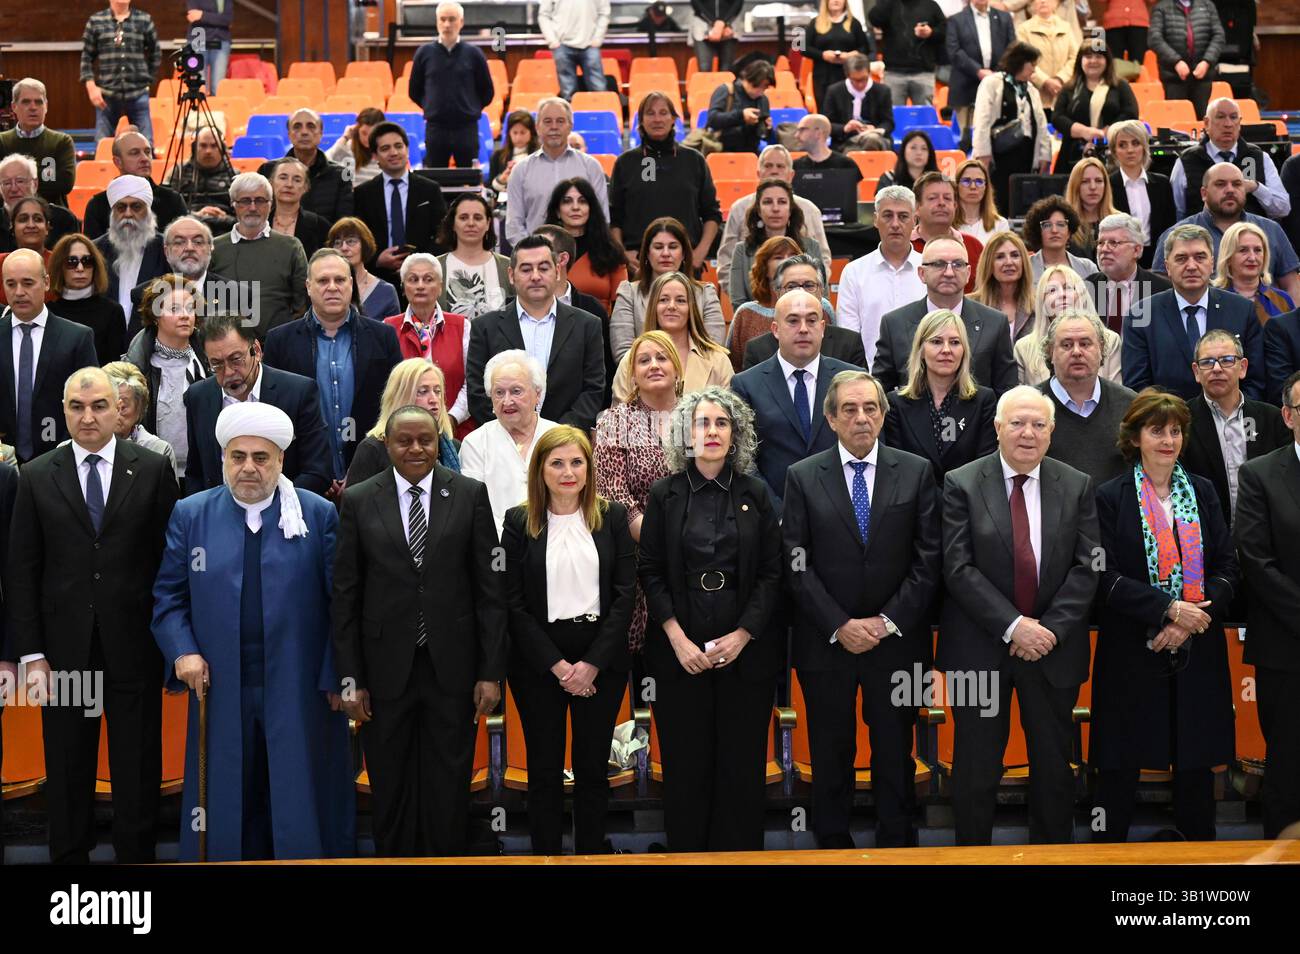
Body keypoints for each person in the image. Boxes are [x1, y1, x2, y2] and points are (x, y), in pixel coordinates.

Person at [153, 401, 353, 860]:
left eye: (261, 458)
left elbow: (342, 604)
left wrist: (334, 676)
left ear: (281, 460)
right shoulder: (191, 514)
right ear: (222, 458)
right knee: (225, 801)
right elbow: (169, 598)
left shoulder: (317, 514)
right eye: (237, 456)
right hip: (220, 685)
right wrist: (182, 651)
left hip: (300, 688)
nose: (248, 467)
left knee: (296, 799)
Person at [7, 365, 178, 863]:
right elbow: (21, 570)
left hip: (134, 647)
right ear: (63, 411)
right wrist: (32, 654)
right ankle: (69, 871)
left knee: (137, 766)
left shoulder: (150, 469)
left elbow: (169, 565)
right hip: (63, 655)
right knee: (66, 769)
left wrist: (170, 643)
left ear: (119, 409)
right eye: (77, 407)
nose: (88, 416)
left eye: (99, 405)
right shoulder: (37, 475)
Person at [334, 403, 505, 858]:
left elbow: (490, 592)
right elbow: (345, 598)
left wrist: (490, 672)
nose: (415, 448)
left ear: (438, 442)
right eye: (404, 440)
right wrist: (351, 679)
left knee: (449, 783)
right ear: (386, 445)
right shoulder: (358, 499)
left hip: (454, 669)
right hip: (384, 670)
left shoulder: (470, 494)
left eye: (425, 440)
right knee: (389, 783)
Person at [784, 369, 941, 847]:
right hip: (826, 643)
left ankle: (896, 845)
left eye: (870, 408)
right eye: (849, 410)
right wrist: (839, 624)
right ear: (830, 418)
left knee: (894, 751)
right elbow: (795, 561)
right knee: (832, 751)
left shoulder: (914, 471)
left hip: (897, 642)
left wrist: (886, 621)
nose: (861, 418)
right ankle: (831, 846)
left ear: (883, 414)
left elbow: (929, 558)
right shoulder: (803, 476)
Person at [939, 385, 1100, 845]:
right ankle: (971, 857)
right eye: (1017, 423)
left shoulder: (1076, 483)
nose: (1027, 433)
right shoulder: (961, 482)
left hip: (1053, 649)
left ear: (1052, 432)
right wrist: (1015, 626)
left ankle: (1053, 855)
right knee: (976, 768)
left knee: (1053, 768)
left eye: (1038, 424)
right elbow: (957, 567)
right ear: (997, 428)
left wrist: (1047, 630)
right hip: (980, 650)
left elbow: (1089, 565)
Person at [638, 385, 782, 850]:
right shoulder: (665, 494)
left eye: (722, 423)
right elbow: (650, 571)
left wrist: (743, 635)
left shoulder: (756, 493)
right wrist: (677, 639)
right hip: (680, 655)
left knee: (741, 768)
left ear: (735, 434)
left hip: (745, 653)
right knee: (686, 766)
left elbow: (770, 574)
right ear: (686, 433)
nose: (712, 431)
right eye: (703, 422)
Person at [1092, 388, 1237, 842]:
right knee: (1119, 764)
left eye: (1175, 431)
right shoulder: (1110, 496)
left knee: (1195, 761)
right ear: (1134, 437)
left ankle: (1199, 852)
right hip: (1132, 647)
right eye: (1157, 431)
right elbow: (1104, 576)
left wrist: (1188, 618)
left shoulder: (1205, 492)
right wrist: (1167, 611)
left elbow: (1229, 566)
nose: (1168, 440)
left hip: (1198, 644)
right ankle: (1107, 849)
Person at [501, 424, 633, 854]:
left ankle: (592, 854)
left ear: (589, 467)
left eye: (577, 462)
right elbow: (513, 602)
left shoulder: (611, 517)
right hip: (540, 662)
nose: (568, 471)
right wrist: (557, 667)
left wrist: (592, 664)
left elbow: (625, 594)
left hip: (601, 657)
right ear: (540, 469)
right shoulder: (518, 521)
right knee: (543, 769)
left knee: (593, 769)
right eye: (556, 463)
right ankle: (546, 856)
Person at [264, 248, 403, 493]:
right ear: (308, 286)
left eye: (339, 280)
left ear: (351, 284)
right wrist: (318, 473)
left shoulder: (384, 336)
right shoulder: (279, 341)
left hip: (374, 478)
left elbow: (396, 407)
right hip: (303, 481)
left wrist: (361, 470)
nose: (332, 287)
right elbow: (274, 415)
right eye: (322, 281)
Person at [1234, 371, 1300, 838]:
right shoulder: (1258, 473)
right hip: (1286, 648)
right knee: (1289, 766)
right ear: (1288, 415)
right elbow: (1256, 560)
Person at [731, 290, 861, 510]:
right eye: (792, 320)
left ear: (822, 328)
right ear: (775, 329)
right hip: (773, 515)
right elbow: (743, 459)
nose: (803, 328)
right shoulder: (746, 385)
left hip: (844, 512)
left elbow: (869, 446)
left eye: (811, 320)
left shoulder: (852, 379)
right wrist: (777, 513)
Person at [465, 235, 605, 432]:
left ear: (557, 271)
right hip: (506, 442)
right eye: (526, 269)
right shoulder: (484, 328)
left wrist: (558, 432)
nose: (536, 276)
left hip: (565, 440)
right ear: (511, 275)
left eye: (544, 268)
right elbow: (478, 393)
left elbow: (593, 389)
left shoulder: (588, 325)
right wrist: (516, 430)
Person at [595, 329, 678, 651]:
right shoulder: (614, 422)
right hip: (637, 552)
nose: (654, 365)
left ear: (677, 367)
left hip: (699, 550)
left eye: (662, 357)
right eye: (644, 360)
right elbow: (614, 493)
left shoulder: (699, 416)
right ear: (632, 374)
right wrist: (664, 541)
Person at [184, 314, 332, 495]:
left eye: (236, 359)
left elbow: (317, 472)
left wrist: (274, 506)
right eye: (217, 365)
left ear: (257, 350)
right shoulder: (198, 396)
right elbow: (195, 473)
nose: (229, 372)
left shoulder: (299, 392)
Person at [1123, 224, 1264, 401]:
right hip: (1169, 422)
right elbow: (1137, 387)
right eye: (1181, 258)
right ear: (1167, 266)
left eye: (1200, 257)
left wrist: (1232, 417)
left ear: (1212, 263)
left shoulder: (1242, 310)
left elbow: (1256, 380)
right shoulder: (1141, 315)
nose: (1191, 266)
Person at [872, 236, 1016, 395]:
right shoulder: (894, 324)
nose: (949, 272)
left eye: (958, 264)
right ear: (921, 273)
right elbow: (880, 392)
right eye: (938, 264)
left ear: (968, 273)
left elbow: (1007, 392)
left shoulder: (995, 323)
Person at [1180, 329, 1289, 526]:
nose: (1217, 369)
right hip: (1207, 537)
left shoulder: (1272, 418)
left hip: (1267, 535)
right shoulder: (1181, 421)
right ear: (1196, 372)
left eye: (1227, 360)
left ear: (1243, 367)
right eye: (1207, 362)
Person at [1, 249, 99, 464]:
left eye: (27, 283)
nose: (19, 292)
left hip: (60, 462)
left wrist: (65, 455)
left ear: (46, 282)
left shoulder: (77, 338)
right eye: (11, 284)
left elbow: (89, 403)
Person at [1152, 163, 1300, 303]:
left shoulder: (1271, 230)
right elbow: (1157, 288)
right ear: (1204, 193)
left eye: (1237, 184)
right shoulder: (1174, 235)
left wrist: (1294, 325)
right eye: (1220, 184)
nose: (1230, 190)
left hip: (1267, 324)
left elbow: (1292, 284)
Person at [884, 308, 998, 486]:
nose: (946, 350)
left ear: (964, 350)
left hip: (966, 504)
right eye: (936, 342)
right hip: (915, 507)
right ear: (921, 350)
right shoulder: (896, 404)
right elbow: (898, 470)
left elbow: (984, 467)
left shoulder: (984, 401)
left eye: (954, 342)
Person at [609, 93, 721, 275]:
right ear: (641, 121)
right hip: (637, 265)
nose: (657, 119)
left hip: (686, 262)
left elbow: (712, 214)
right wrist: (624, 255)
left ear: (674, 119)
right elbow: (614, 218)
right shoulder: (625, 162)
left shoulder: (694, 160)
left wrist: (699, 254)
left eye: (663, 112)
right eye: (650, 113)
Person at [461, 350, 560, 534]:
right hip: (498, 546)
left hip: (555, 540)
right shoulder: (474, 443)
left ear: (537, 394)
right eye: (499, 392)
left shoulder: (558, 436)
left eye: (516, 391)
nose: (507, 401)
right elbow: (475, 510)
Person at [1036, 310, 1137, 485]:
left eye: (1085, 344)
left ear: (1102, 349)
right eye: (1066, 345)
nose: (1076, 352)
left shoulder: (1130, 404)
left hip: (1114, 510)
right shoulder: (1029, 405)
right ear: (1050, 352)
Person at [717, 146, 832, 297]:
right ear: (758, 173)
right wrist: (742, 296)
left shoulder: (810, 210)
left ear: (791, 175)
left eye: (780, 166)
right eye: (768, 166)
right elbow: (726, 260)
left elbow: (822, 261)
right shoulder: (739, 208)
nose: (774, 171)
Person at [125, 275, 208, 483]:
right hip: (150, 472)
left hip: (201, 473)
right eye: (174, 309)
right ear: (155, 316)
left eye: (190, 308)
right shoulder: (135, 368)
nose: (185, 316)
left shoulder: (210, 361)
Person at [208, 172, 310, 337]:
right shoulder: (214, 249)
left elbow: (302, 302)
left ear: (271, 204)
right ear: (233, 204)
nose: (253, 208)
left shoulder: (291, 247)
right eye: (245, 201)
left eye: (260, 200)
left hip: (278, 346)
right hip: (226, 346)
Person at [352, 122, 449, 291]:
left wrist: (418, 262)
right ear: (375, 156)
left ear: (407, 149)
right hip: (375, 276)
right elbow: (357, 237)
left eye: (398, 146)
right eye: (385, 148)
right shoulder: (363, 193)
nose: (394, 152)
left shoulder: (430, 189)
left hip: (423, 277)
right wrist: (376, 259)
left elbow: (443, 234)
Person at [610, 218, 725, 360]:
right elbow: (623, 354)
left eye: (673, 247)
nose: (665, 253)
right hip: (642, 378)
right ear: (646, 253)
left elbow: (713, 349)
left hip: (697, 379)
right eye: (658, 247)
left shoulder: (706, 293)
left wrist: (682, 375)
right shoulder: (629, 293)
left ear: (683, 254)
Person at [837, 186, 925, 367]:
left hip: (925, 378)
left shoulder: (929, 268)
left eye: (903, 216)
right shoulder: (854, 272)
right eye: (887, 215)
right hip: (870, 381)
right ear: (876, 220)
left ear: (914, 221)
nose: (895, 224)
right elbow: (848, 337)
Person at [612, 271, 731, 402]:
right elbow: (618, 415)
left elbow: (730, 416)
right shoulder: (631, 359)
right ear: (653, 307)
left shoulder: (718, 361)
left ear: (691, 308)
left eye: (680, 300)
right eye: (663, 300)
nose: (672, 306)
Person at [386, 254, 471, 436]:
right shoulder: (388, 327)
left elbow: (471, 382)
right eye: (413, 279)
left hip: (455, 430)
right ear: (403, 287)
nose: (420, 286)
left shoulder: (462, 326)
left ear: (440, 287)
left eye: (428, 279)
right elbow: (387, 386)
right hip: (403, 430)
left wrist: (451, 418)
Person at [345, 357, 462, 488]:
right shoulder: (373, 449)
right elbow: (355, 505)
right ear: (400, 397)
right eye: (423, 392)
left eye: (437, 391)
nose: (434, 399)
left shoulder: (455, 447)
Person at [505, 98, 608, 247]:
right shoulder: (520, 170)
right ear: (537, 126)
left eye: (560, 121)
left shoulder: (591, 167)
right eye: (547, 121)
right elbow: (514, 224)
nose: (554, 127)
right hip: (536, 259)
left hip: (586, 257)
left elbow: (602, 218)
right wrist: (533, 252)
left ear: (570, 126)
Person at [409, 2, 495, 168]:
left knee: (469, 179)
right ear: (437, 22)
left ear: (461, 22)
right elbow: (414, 90)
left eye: (452, 19)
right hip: (436, 128)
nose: (447, 24)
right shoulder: (424, 53)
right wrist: (432, 107)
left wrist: (470, 108)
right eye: (443, 19)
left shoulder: (474, 54)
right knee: (435, 180)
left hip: (466, 128)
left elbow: (487, 91)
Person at [972, 41, 1055, 212]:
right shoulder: (992, 83)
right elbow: (982, 121)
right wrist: (983, 155)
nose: (1034, 70)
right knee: (999, 202)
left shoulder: (1031, 89)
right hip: (999, 159)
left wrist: (1044, 156)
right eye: (1031, 64)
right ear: (1019, 62)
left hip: (1026, 157)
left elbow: (1041, 125)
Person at [741, 255, 863, 370]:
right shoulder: (757, 350)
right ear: (778, 293)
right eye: (791, 286)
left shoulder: (849, 344)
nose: (801, 292)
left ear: (821, 291)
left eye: (809, 285)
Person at [730, 242, 834, 370]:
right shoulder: (746, 318)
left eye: (812, 320)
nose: (800, 291)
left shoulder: (826, 311)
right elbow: (734, 367)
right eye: (791, 286)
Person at [128, 215, 233, 340]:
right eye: (179, 242)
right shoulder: (143, 294)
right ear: (166, 251)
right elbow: (136, 353)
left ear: (210, 248)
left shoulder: (233, 294)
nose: (189, 248)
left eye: (198, 242)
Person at [728, 179, 827, 307]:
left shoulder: (812, 246)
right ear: (758, 210)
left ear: (790, 209)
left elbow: (822, 298)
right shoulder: (742, 250)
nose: (775, 208)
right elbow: (738, 303)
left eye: (782, 202)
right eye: (768, 202)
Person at [1017, 264, 1121, 385]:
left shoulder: (1111, 340)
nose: (1062, 295)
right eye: (1052, 290)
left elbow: (1115, 392)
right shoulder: (1023, 348)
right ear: (1042, 301)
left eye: (1068, 288)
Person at [83, 129, 188, 240]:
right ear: (118, 162)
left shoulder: (172, 200)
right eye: (135, 153)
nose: (144, 158)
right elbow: (93, 252)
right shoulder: (98, 205)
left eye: (147, 152)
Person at [253, 110, 353, 225]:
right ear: (289, 135)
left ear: (320, 133)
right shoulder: (267, 170)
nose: (304, 132)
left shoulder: (341, 175)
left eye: (311, 126)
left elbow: (344, 223)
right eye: (297, 127)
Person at [80, 1, 160, 145]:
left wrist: (148, 80)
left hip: (138, 94)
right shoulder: (96, 21)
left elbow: (156, 53)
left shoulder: (144, 20)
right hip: (106, 96)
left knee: (146, 145)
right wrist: (91, 87)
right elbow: (86, 58)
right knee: (102, 146)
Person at [1053, 42, 1139, 177]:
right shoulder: (1069, 88)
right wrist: (1084, 132)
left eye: (1098, 56)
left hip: (1112, 153)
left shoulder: (1120, 85)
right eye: (1088, 56)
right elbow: (1057, 117)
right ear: (1080, 60)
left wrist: (1105, 132)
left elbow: (1130, 113)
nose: (1093, 61)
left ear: (1107, 60)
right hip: (1072, 155)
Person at [94, 176, 170, 325]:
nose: (128, 214)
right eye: (121, 207)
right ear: (112, 212)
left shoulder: (166, 249)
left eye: (136, 207)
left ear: (148, 211)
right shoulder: (96, 250)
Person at [545, 177, 627, 313]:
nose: (575, 207)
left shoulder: (611, 252)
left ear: (591, 209)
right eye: (567, 201)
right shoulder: (542, 251)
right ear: (558, 211)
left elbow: (622, 308)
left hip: (601, 329)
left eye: (582, 201)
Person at [1083, 212, 1173, 336]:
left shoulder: (1161, 290)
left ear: (1136, 250)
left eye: (1113, 242)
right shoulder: (1087, 287)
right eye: (1101, 243)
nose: (1104, 249)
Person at [1108, 119, 1178, 270]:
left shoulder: (1162, 184)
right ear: (1114, 151)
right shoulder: (1107, 185)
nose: (1130, 150)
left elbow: (1170, 227)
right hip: (1119, 261)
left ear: (1144, 147)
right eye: (1122, 145)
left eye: (1135, 143)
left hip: (1156, 260)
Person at [49, 233, 126, 365]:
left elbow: (117, 368)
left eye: (87, 261)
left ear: (95, 265)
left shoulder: (112, 312)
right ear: (59, 267)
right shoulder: (48, 312)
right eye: (71, 262)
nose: (80, 268)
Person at [0, 78, 76, 209]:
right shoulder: (1, 141)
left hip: (52, 216)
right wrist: (43, 176)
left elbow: (64, 184)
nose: (33, 107)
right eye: (26, 102)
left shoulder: (62, 142)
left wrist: (15, 181)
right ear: (14, 107)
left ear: (46, 106)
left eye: (38, 102)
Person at [437, 193, 513, 320]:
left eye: (478, 218)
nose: (471, 223)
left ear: (488, 223)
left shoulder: (508, 266)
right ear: (453, 224)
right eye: (463, 218)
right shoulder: (435, 266)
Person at [947, 0, 1017, 133]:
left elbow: (1012, 49)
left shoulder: (1004, 18)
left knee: (996, 136)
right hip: (966, 87)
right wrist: (978, 71)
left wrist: (995, 74)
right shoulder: (956, 20)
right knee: (969, 138)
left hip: (998, 85)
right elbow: (954, 51)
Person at [910, 174, 986, 293]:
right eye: (932, 198)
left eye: (947, 198)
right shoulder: (904, 247)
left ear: (955, 206)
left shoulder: (973, 246)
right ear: (917, 207)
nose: (941, 203)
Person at [1149, 0, 1225, 118]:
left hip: (1202, 76)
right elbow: (1154, 39)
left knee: (1203, 121)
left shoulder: (1207, 5)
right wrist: (1176, 61)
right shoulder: (1161, 7)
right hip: (1174, 77)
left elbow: (1219, 36)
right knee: (1177, 122)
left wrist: (1206, 62)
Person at [1213, 220, 1295, 324]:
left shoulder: (1283, 300)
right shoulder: (1213, 301)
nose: (1252, 258)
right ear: (1228, 257)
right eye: (1243, 250)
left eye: (1258, 250)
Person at [869, 0, 947, 107]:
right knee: (894, 118)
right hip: (893, 73)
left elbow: (945, 30)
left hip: (923, 73)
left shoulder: (930, 5)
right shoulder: (888, 4)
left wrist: (931, 33)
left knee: (924, 118)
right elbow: (874, 19)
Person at [102, 360, 176, 472]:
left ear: (139, 409)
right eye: (106, 405)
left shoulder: (159, 451)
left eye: (123, 407)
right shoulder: (72, 450)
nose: (115, 414)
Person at [326, 216, 401, 322]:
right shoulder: (326, 289)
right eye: (338, 243)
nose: (344, 248)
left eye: (351, 241)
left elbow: (393, 335)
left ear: (364, 245)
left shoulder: (386, 291)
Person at [807, 0, 874, 112]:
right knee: (825, 110)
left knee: (847, 110)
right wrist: (822, 55)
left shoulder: (854, 23)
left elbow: (865, 48)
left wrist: (852, 55)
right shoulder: (814, 23)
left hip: (848, 76)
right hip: (823, 77)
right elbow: (801, 47)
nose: (836, 1)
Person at [0, 155, 75, 254]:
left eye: (20, 181)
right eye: (7, 183)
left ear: (35, 184)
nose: (13, 189)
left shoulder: (63, 219)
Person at [820, 53, 893, 153]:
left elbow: (888, 122)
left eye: (864, 79)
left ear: (869, 73)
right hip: (845, 141)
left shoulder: (882, 91)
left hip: (877, 139)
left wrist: (876, 129)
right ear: (848, 75)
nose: (860, 84)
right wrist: (845, 128)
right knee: (852, 151)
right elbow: (827, 124)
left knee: (872, 139)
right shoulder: (834, 91)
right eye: (856, 80)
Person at [539, 0, 610, 101]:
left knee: (599, 89)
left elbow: (604, 13)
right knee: (568, 93)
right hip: (562, 46)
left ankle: (602, 114)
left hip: (590, 45)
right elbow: (543, 15)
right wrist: (552, 40)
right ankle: (570, 116)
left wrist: (597, 38)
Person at [971, 230, 1035, 342]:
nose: (1009, 262)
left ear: (1023, 261)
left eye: (1015, 255)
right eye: (1000, 257)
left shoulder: (1039, 305)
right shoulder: (971, 305)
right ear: (989, 264)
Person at [1016, 0, 1078, 113]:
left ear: (1056, 3)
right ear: (1032, 4)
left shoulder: (1066, 27)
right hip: (1035, 94)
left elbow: (1075, 57)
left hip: (1062, 92)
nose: (1043, 1)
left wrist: (1060, 79)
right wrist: (1045, 81)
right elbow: (1024, 60)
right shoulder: (1023, 29)